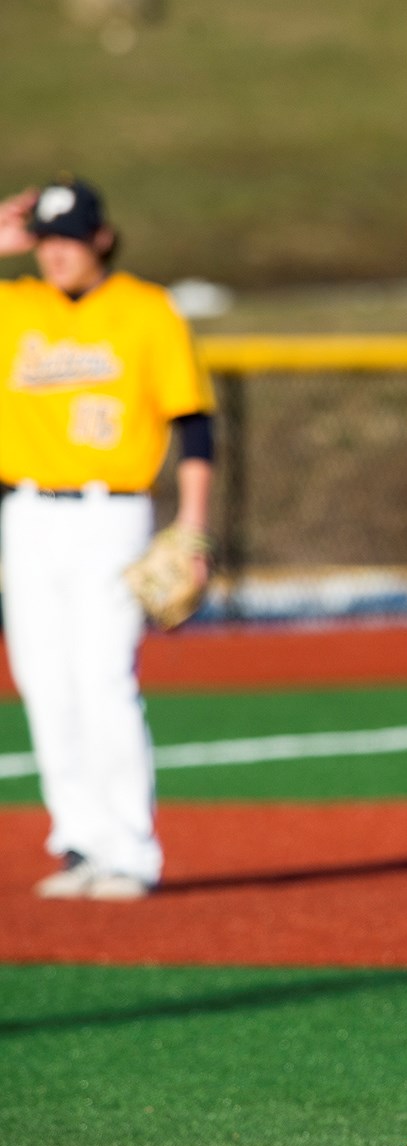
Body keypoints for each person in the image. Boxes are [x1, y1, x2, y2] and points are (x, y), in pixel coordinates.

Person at [0, 176, 215, 900]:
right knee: (43, 681)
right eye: (46, 239)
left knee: (102, 678)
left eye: (71, 238)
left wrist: (191, 527)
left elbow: (195, 426)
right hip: (26, 514)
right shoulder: (13, 307)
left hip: (111, 514)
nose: (57, 254)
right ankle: (79, 841)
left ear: (101, 237)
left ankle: (128, 849)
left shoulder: (147, 310)